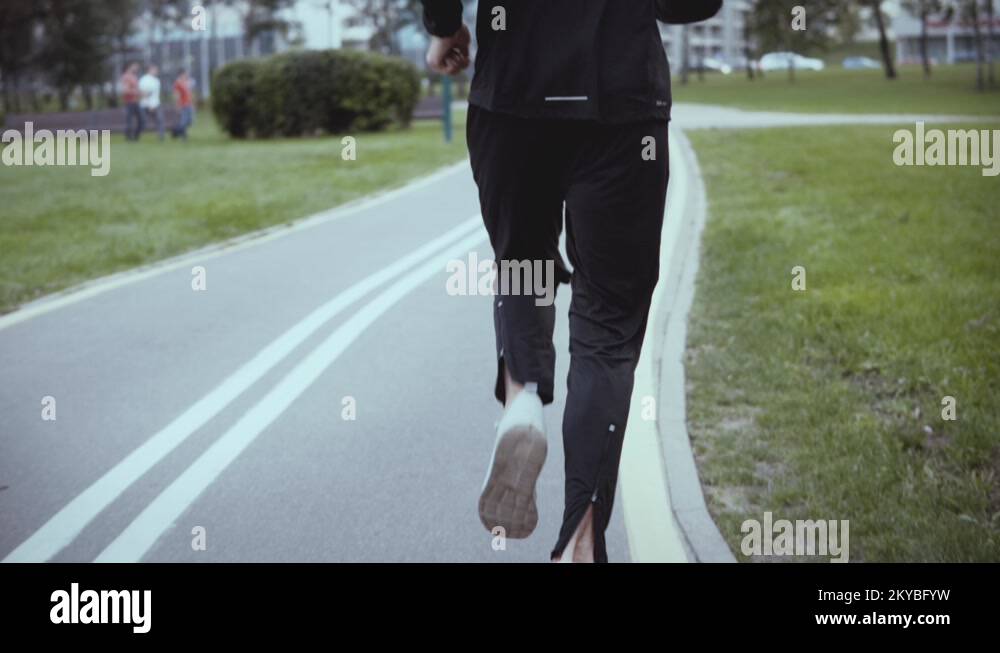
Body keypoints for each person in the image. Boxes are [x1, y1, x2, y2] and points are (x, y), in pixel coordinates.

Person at [418, 0, 723, 562]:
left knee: (522, 264)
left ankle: (522, 400)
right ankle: (580, 544)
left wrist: (444, 28)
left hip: (513, 99)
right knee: (606, 330)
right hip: (624, 105)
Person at [139, 64, 165, 141]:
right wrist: (150, 105)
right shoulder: (144, 80)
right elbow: (143, 94)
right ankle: (136, 135)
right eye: (154, 70)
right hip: (146, 105)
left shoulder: (156, 80)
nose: (156, 71)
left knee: (160, 119)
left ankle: (161, 136)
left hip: (156, 104)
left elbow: (155, 94)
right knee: (143, 121)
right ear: (149, 70)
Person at [120, 62, 143, 141]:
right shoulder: (126, 77)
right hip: (129, 102)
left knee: (142, 120)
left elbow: (136, 89)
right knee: (129, 121)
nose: (137, 68)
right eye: (135, 66)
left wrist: (141, 93)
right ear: (130, 66)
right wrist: (136, 92)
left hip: (136, 101)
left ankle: (135, 137)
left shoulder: (134, 77)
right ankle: (129, 138)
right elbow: (125, 90)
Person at [171, 69, 195, 140]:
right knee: (183, 121)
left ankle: (175, 131)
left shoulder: (186, 82)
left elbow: (189, 93)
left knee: (190, 120)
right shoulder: (177, 83)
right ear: (181, 74)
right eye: (185, 74)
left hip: (189, 104)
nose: (186, 75)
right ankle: (183, 136)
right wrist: (177, 105)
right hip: (183, 104)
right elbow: (176, 95)